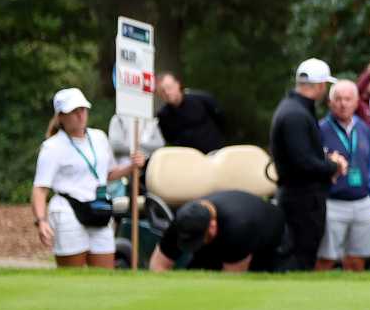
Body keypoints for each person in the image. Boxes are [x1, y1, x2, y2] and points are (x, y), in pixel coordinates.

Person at [33, 88, 143, 269]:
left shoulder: (99, 137)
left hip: (99, 207)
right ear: (61, 116)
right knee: (72, 275)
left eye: (83, 109)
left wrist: (131, 167)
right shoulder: (52, 147)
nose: (80, 115)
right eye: (73, 111)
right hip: (68, 210)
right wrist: (41, 220)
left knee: (104, 274)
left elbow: (108, 174)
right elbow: (40, 188)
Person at [268, 58, 340, 275]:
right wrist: (332, 166)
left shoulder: (297, 110)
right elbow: (303, 163)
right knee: (300, 258)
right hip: (301, 201)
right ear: (319, 86)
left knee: (304, 256)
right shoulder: (295, 114)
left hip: (303, 198)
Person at [150, 190, 284, 272]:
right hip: (220, 239)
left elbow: (231, 283)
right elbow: (158, 264)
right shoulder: (182, 221)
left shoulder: (238, 228)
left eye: (197, 239)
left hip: (270, 245)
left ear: (212, 227)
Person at [318, 78, 370, 271]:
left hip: (362, 201)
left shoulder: (364, 128)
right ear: (330, 103)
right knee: (327, 257)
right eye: (338, 99)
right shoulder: (321, 129)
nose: (343, 104)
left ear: (357, 102)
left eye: (348, 99)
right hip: (333, 202)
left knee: (358, 258)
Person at [154, 73, 228, 153]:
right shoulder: (163, 115)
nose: (167, 93)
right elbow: (169, 138)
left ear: (177, 84)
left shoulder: (202, 99)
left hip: (215, 153)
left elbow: (221, 120)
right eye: (162, 91)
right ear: (158, 94)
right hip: (189, 159)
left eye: (169, 88)